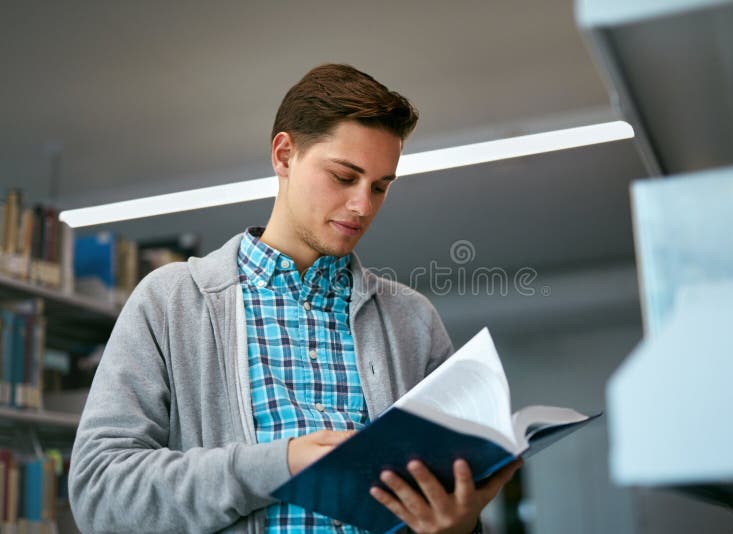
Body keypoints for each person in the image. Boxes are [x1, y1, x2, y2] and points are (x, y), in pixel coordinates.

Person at [68, 63, 521, 533]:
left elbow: (448, 494)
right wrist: (277, 464)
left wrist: (459, 527)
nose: (362, 206)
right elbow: (100, 494)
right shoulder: (171, 302)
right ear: (284, 155)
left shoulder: (413, 321)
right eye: (344, 177)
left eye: (380, 187)